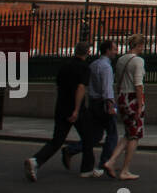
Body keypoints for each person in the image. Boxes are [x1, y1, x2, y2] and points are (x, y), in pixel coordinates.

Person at [24, 41, 95, 182]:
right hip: (76, 110)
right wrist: (76, 109)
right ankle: (86, 169)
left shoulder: (64, 66)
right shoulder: (84, 68)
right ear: (88, 52)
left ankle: (35, 161)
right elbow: (81, 88)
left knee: (57, 140)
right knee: (89, 137)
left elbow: (58, 86)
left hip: (61, 107)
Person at [62, 39, 119, 177]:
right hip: (104, 103)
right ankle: (103, 164)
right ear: (107, 50)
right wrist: (110, 105)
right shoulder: (106, 67)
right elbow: (106, 88)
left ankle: (71, 150)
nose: (116, 52)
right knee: (112, 134)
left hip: (93, 102)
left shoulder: (93, 64)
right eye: (114, 49)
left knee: (95, 135)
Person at [104, 34, 146, 181]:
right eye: (143, 45)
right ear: (139, 45)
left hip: (121, 97)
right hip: (133, 98)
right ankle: (125, 170)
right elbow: (138, 85)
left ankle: (111, 161)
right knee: (135, 135)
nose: (143, 48)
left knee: (128, 132)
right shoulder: (138, 61)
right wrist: (140, 106)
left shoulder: (121, 59)